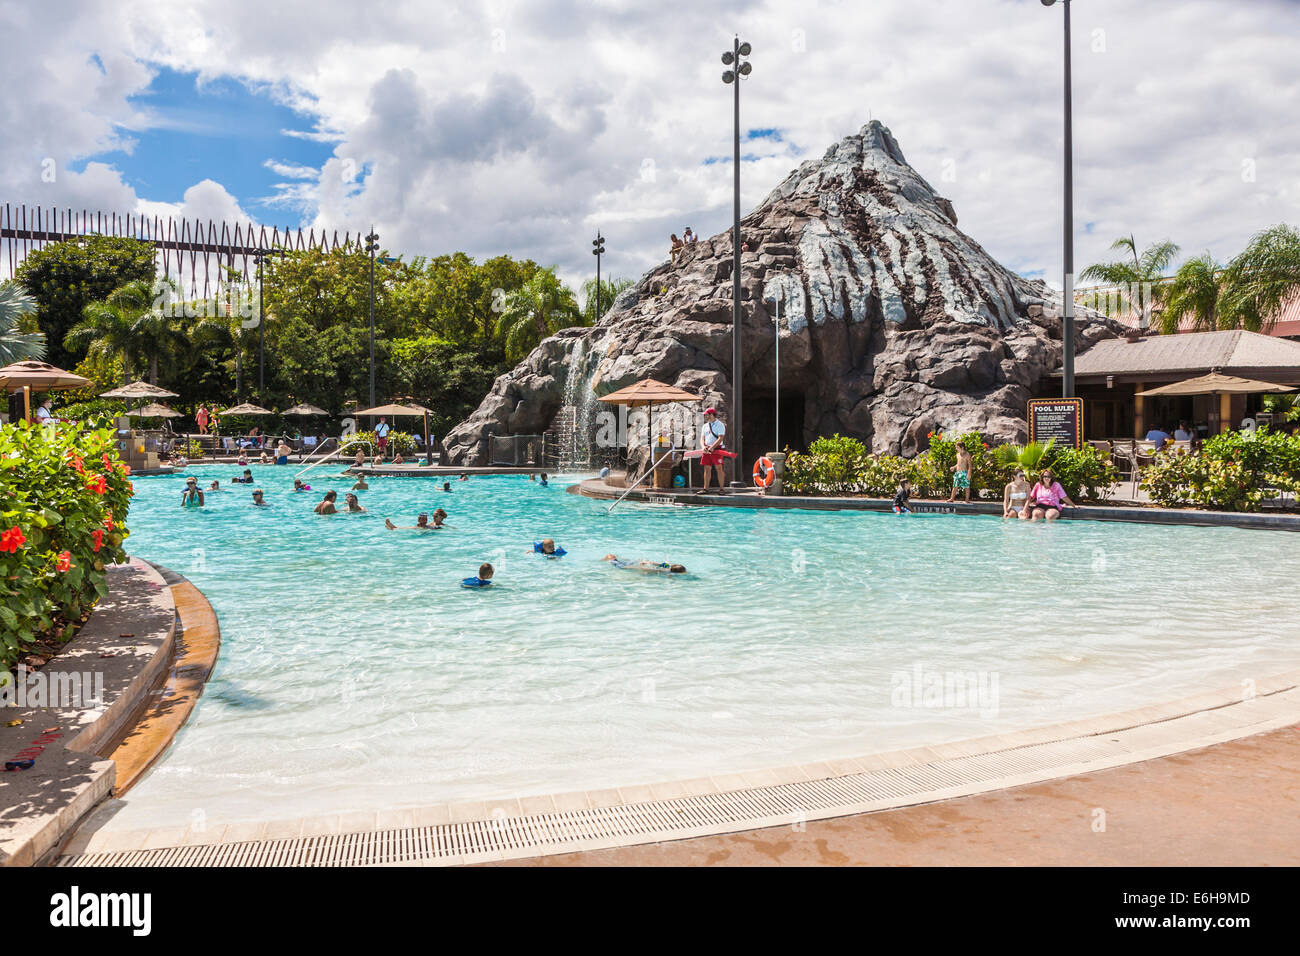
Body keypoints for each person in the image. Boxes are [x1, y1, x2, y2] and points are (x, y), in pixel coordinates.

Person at [698, 407, 727, 494]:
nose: (705, 416)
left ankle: (722, 489)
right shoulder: (705, 426)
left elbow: (720, 438)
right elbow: (702, 438)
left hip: (716, 449)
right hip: (706, 449)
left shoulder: (720, 425)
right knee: (707, 468)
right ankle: (705, 488)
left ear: (711, 415)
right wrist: (703, 446)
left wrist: (713, 447)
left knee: (719, 468)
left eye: (706, 415)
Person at [602, 554, 686, 574]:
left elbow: (654, 563)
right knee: (612, 558)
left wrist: (646, 562)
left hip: (637, 563)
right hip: (628, 567)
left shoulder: (667, 566)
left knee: (613, 557)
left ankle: (610, 557)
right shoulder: (663, 571)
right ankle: (606, 559)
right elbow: (648, 569)